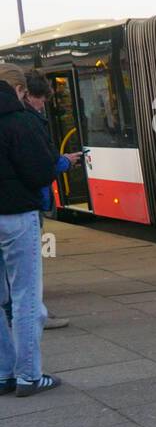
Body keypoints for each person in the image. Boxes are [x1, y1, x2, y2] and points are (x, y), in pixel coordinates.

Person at [0, 63, 61, 396]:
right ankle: (28, 376)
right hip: (16, 215)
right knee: (24, 297)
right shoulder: (21, 122)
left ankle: (3, 375)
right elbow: (41, 171)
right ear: (19, 90)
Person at [21, 70, 80, 330]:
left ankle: (37, 312)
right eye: (41, 99)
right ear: (26, 95)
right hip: (26, 206)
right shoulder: (27, 123)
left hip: (26, 205)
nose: (43, 104)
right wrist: (65, 161)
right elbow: (40, 166)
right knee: (28, 269)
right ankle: (37, 315)